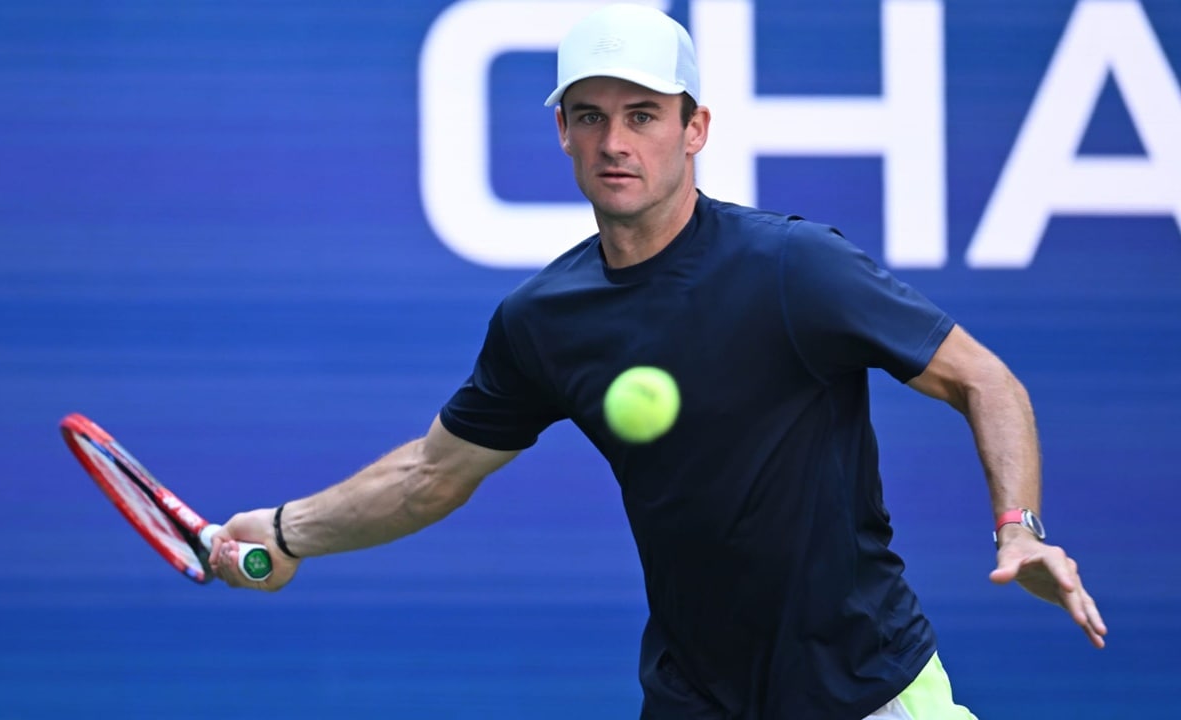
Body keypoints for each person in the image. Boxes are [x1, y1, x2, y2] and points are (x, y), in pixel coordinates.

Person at [208, 4, 1107, 718]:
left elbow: (984, 379)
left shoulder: (794, 269)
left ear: (695, 127)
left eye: (643, 115)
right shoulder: (543, 320)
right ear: (561, 130)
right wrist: (287, 531)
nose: (615, 143)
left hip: (864, 688)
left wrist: (1017, 527)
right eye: (590, 117)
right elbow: (429, 474)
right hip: (694, 697)